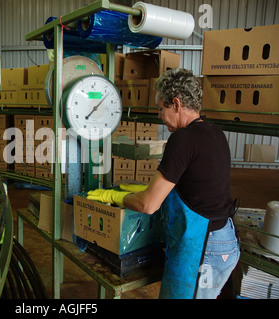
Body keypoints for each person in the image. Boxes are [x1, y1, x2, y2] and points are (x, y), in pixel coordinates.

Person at [87, 68, 240, 299]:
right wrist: (148, 189)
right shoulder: (214, 132)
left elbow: (148, 205)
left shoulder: (182, 139)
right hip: (225, 240)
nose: (159, 115)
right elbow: (197, 187)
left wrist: (115, 197)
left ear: (177, 104)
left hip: (203, 249)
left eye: (161, 108)